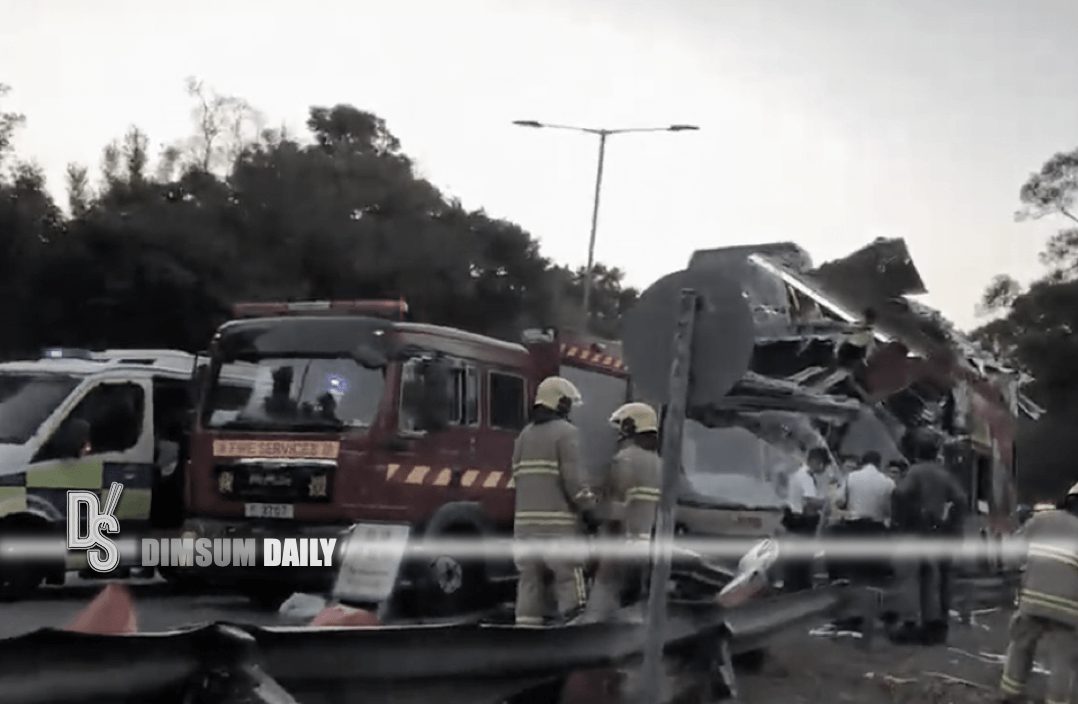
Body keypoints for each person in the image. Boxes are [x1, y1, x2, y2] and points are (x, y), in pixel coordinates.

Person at [512, 376, 597, 626]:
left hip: (525, 531)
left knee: (529, 584)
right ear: (560, 403)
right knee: (569, 579)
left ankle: (526, 637)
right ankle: (573, 637)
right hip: (558, 531)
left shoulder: (524, 436)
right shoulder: (566, 433)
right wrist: (589, 508)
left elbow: (516, 476)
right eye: (568, 403)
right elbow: (574, 480)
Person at [582, 402, 662, 622]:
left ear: (630, 427)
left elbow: (615, 514)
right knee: (634, 610)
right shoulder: (661, 464)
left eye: (622, 427)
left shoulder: (625, 459)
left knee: (598, 611)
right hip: (648, 551)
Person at [999, 482, 1078, 704]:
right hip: (1069, 608)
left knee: (1020, 646)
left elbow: (1011, 556)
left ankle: (1010, 694)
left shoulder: (1042, 520)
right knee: (1064, 659)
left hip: (1032, 600)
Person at [890, 432, 967, 645]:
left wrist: (903, 519)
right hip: (935, 535)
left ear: (916, 452)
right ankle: (933, 625)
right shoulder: (944, 474)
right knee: (930, 580)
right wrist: (948, 524)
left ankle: (909, 623)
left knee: (908, 579)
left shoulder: (915, 472)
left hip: (914, 533)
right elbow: (961, 499)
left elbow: (900, 494)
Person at [832, 451, 895, 583]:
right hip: (876, 529)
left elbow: (839, 501)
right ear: (879, 463)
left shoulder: (851, 477)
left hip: (854, 527)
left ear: (862, 462)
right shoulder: (888, 482)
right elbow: (890, 510)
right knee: (874, 572)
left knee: (854, 568)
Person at [782, 447, 830, 591]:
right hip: (801, 522)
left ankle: (798, 586)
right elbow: (811, 501)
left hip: (799, 521)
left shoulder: (807, 475)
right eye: (822, 464)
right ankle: (797, 589)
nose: (824, 468)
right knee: (800, 562)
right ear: (814, 461)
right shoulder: (805, 476)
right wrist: (829, 503)